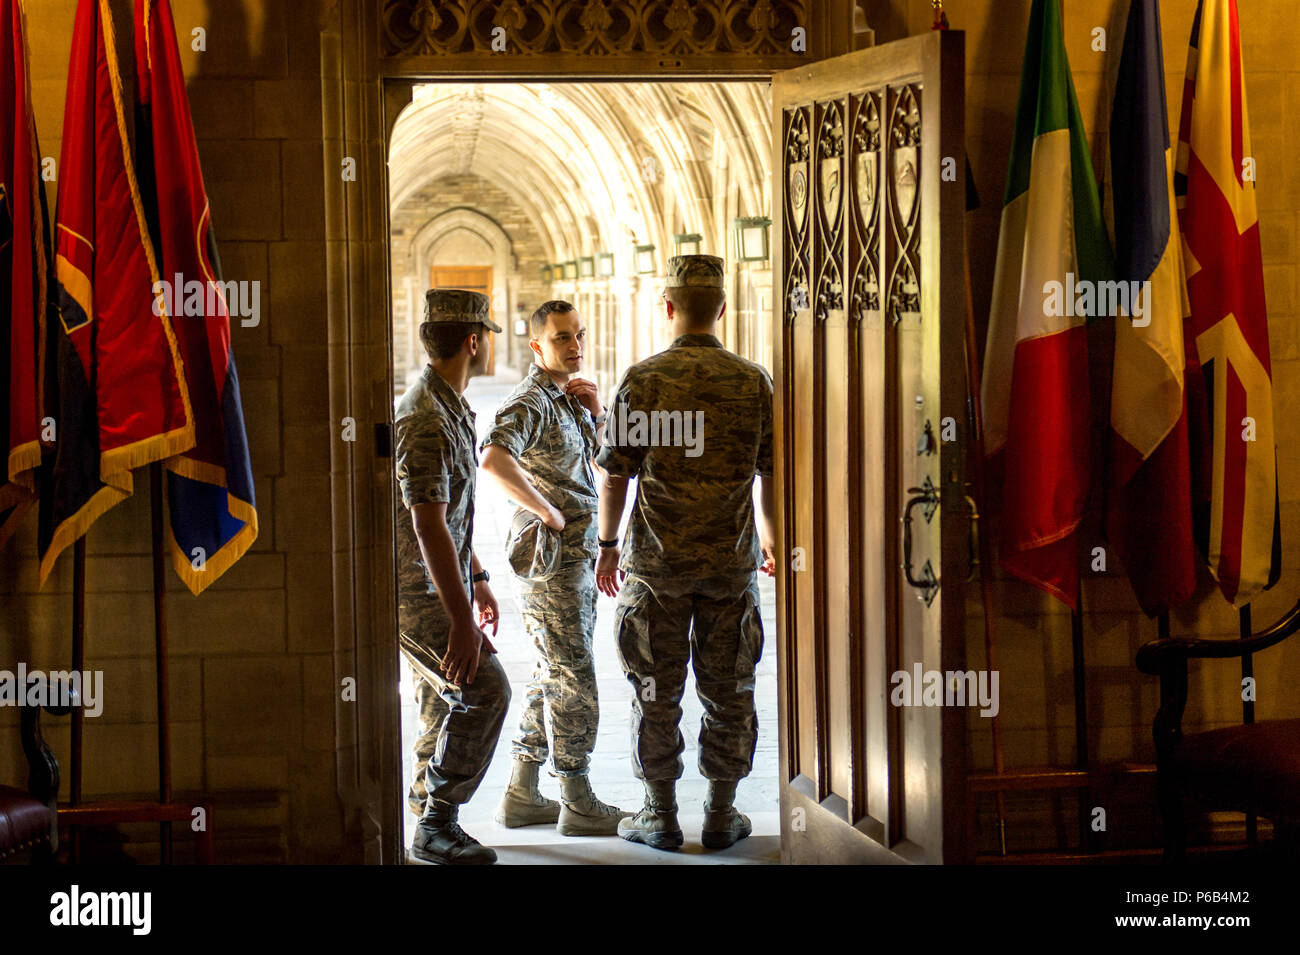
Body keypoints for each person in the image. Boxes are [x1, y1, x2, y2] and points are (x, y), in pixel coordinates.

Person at [595, 253, 777, 852]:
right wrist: (770, 535)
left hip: (655, 568)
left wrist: (607, 545)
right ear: (722, 309)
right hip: (730, 565)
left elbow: (617, 475)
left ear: (667, 308)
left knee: (655, 690)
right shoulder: (752, 380)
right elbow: (769, 471)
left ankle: (660, 814)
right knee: (730, 689)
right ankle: (722, 814)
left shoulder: (643, 380)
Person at [480, 300, 630, 835]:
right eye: (562, 337)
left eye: (578, 335)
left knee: (552, 673)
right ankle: (576, 796)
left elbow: (595, 464)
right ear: (536, 345)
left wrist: (594, 415)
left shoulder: (565, 397)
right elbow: (494, 459)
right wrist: (545, 509)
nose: (574, 346)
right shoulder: (529, 401)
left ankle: (522, 792)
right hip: (552, 563)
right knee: (573, 676)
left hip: (577, 558)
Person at [396, 288, 510, 865]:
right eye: (486, 335)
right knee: (486, 692)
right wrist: (462, 621)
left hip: (443, 581)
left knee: (441, 705)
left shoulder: (447, 405)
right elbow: (427, 525)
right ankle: (436, 821)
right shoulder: (425, 417)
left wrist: (480, 576)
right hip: (417, 591)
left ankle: (427, 826)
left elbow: (453, 517)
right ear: (473, 341)